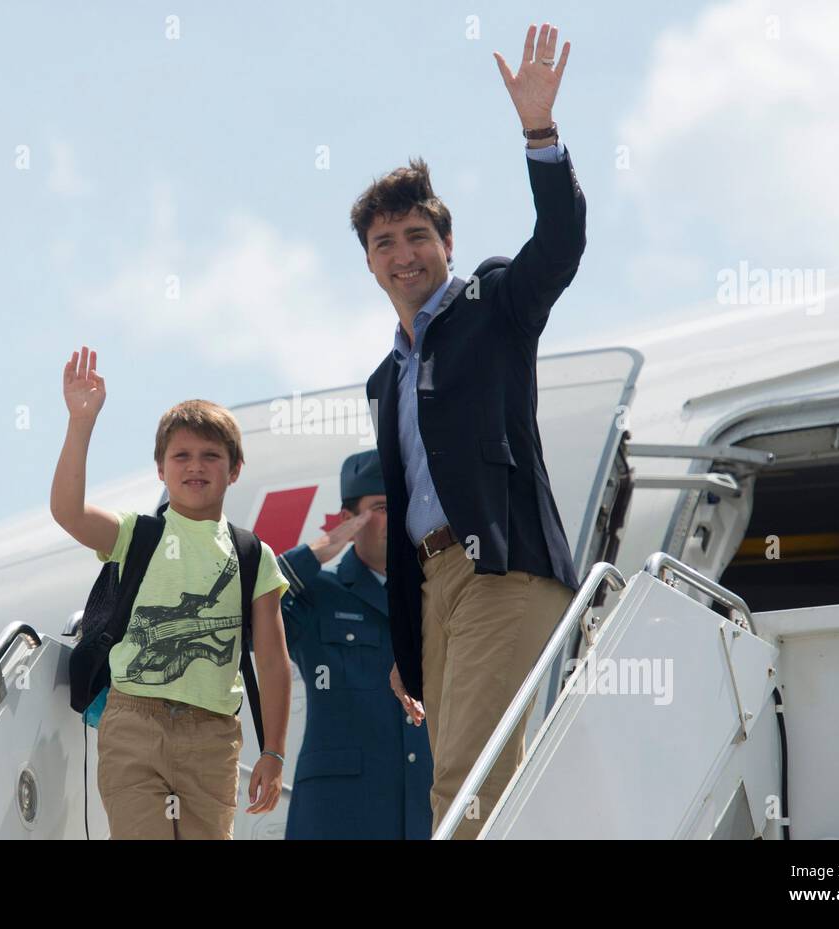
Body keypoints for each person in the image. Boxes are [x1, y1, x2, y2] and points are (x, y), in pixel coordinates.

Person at [355, 23, 584, 839]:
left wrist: (540, 134)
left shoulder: (492, 304)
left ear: (446, 244)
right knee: (461, 784)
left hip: (502, 567)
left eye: (418, 235)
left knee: (465, 780)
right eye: (385, 242)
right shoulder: (385, 378)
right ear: (372, 263)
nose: (404, 252)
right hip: (436, 589)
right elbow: (410, 504)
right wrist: (411, 637)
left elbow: (556, 248)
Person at [50, 346, 292, 839]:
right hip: (134, 719)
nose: (195, 465)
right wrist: (81, 423)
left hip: (213, 734)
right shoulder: (136, 534)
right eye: (181, 455)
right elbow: (68, 512)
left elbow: (272, 662)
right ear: (160, 469)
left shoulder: (252, 555)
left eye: (211, 455)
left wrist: (273, 750)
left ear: (235, 469)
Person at [275, 450, 433, 839]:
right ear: (349, 519)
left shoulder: (434, 596)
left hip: (424, 808)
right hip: (338, 814)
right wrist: (322, 548)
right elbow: (252, 612)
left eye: (403, 505)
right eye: (381, 506)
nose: (395, 517)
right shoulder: (318, 593)